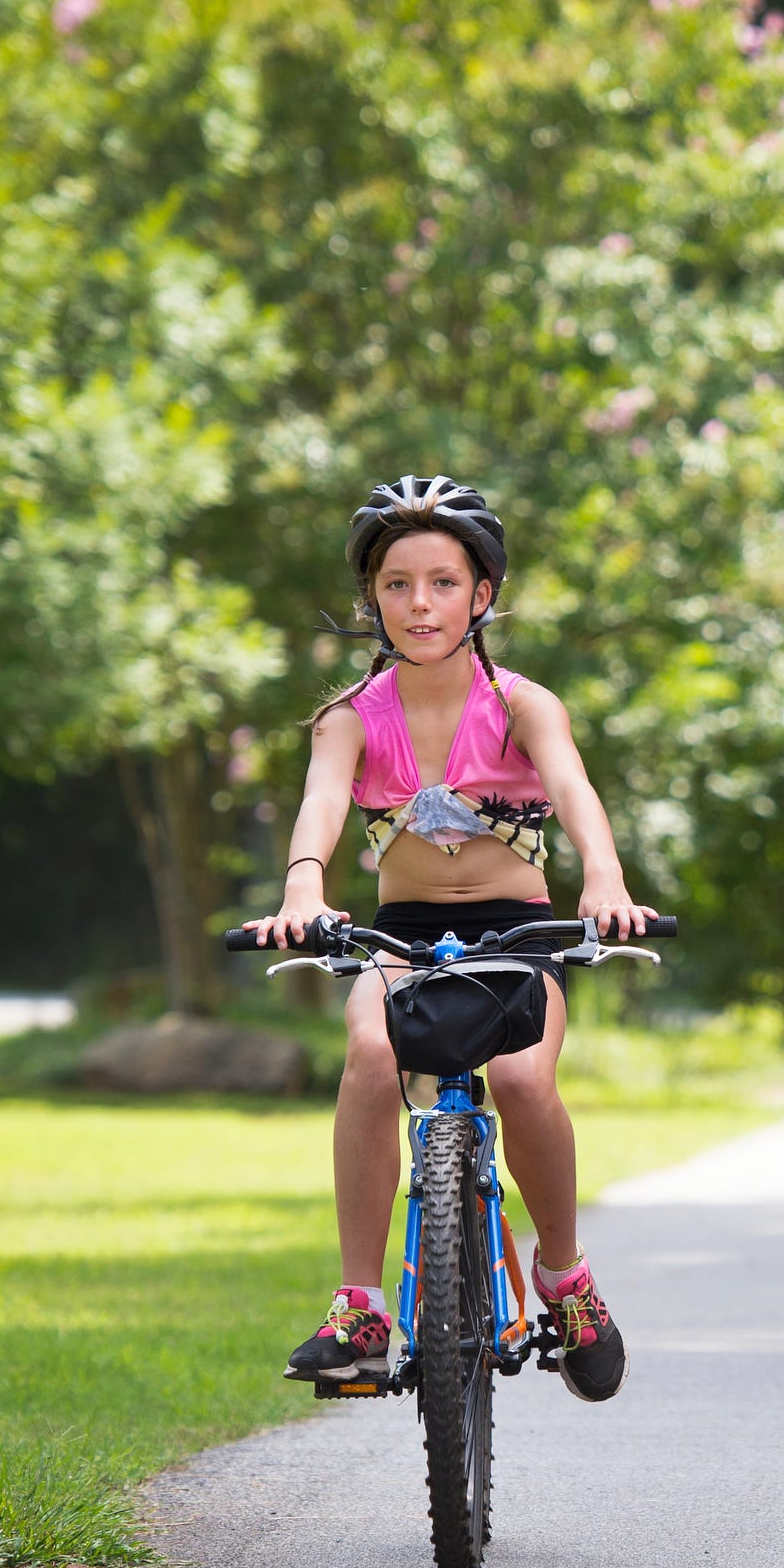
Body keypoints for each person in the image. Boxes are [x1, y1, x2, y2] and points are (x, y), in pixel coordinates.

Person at [244, 474, 656, 1403]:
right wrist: (303, 883)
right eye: (396, 584)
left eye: (441, 582)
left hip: (518, 926)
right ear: (372, 599)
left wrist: (605, 878)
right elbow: (318, 804)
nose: (418, 603)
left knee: (519, 1076)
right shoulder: (350, 717)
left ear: (483, 594)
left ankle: (564, 1275)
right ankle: (359, 1305)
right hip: (403, 930)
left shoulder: (521, 703)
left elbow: (576, 789)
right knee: (366, 1053)